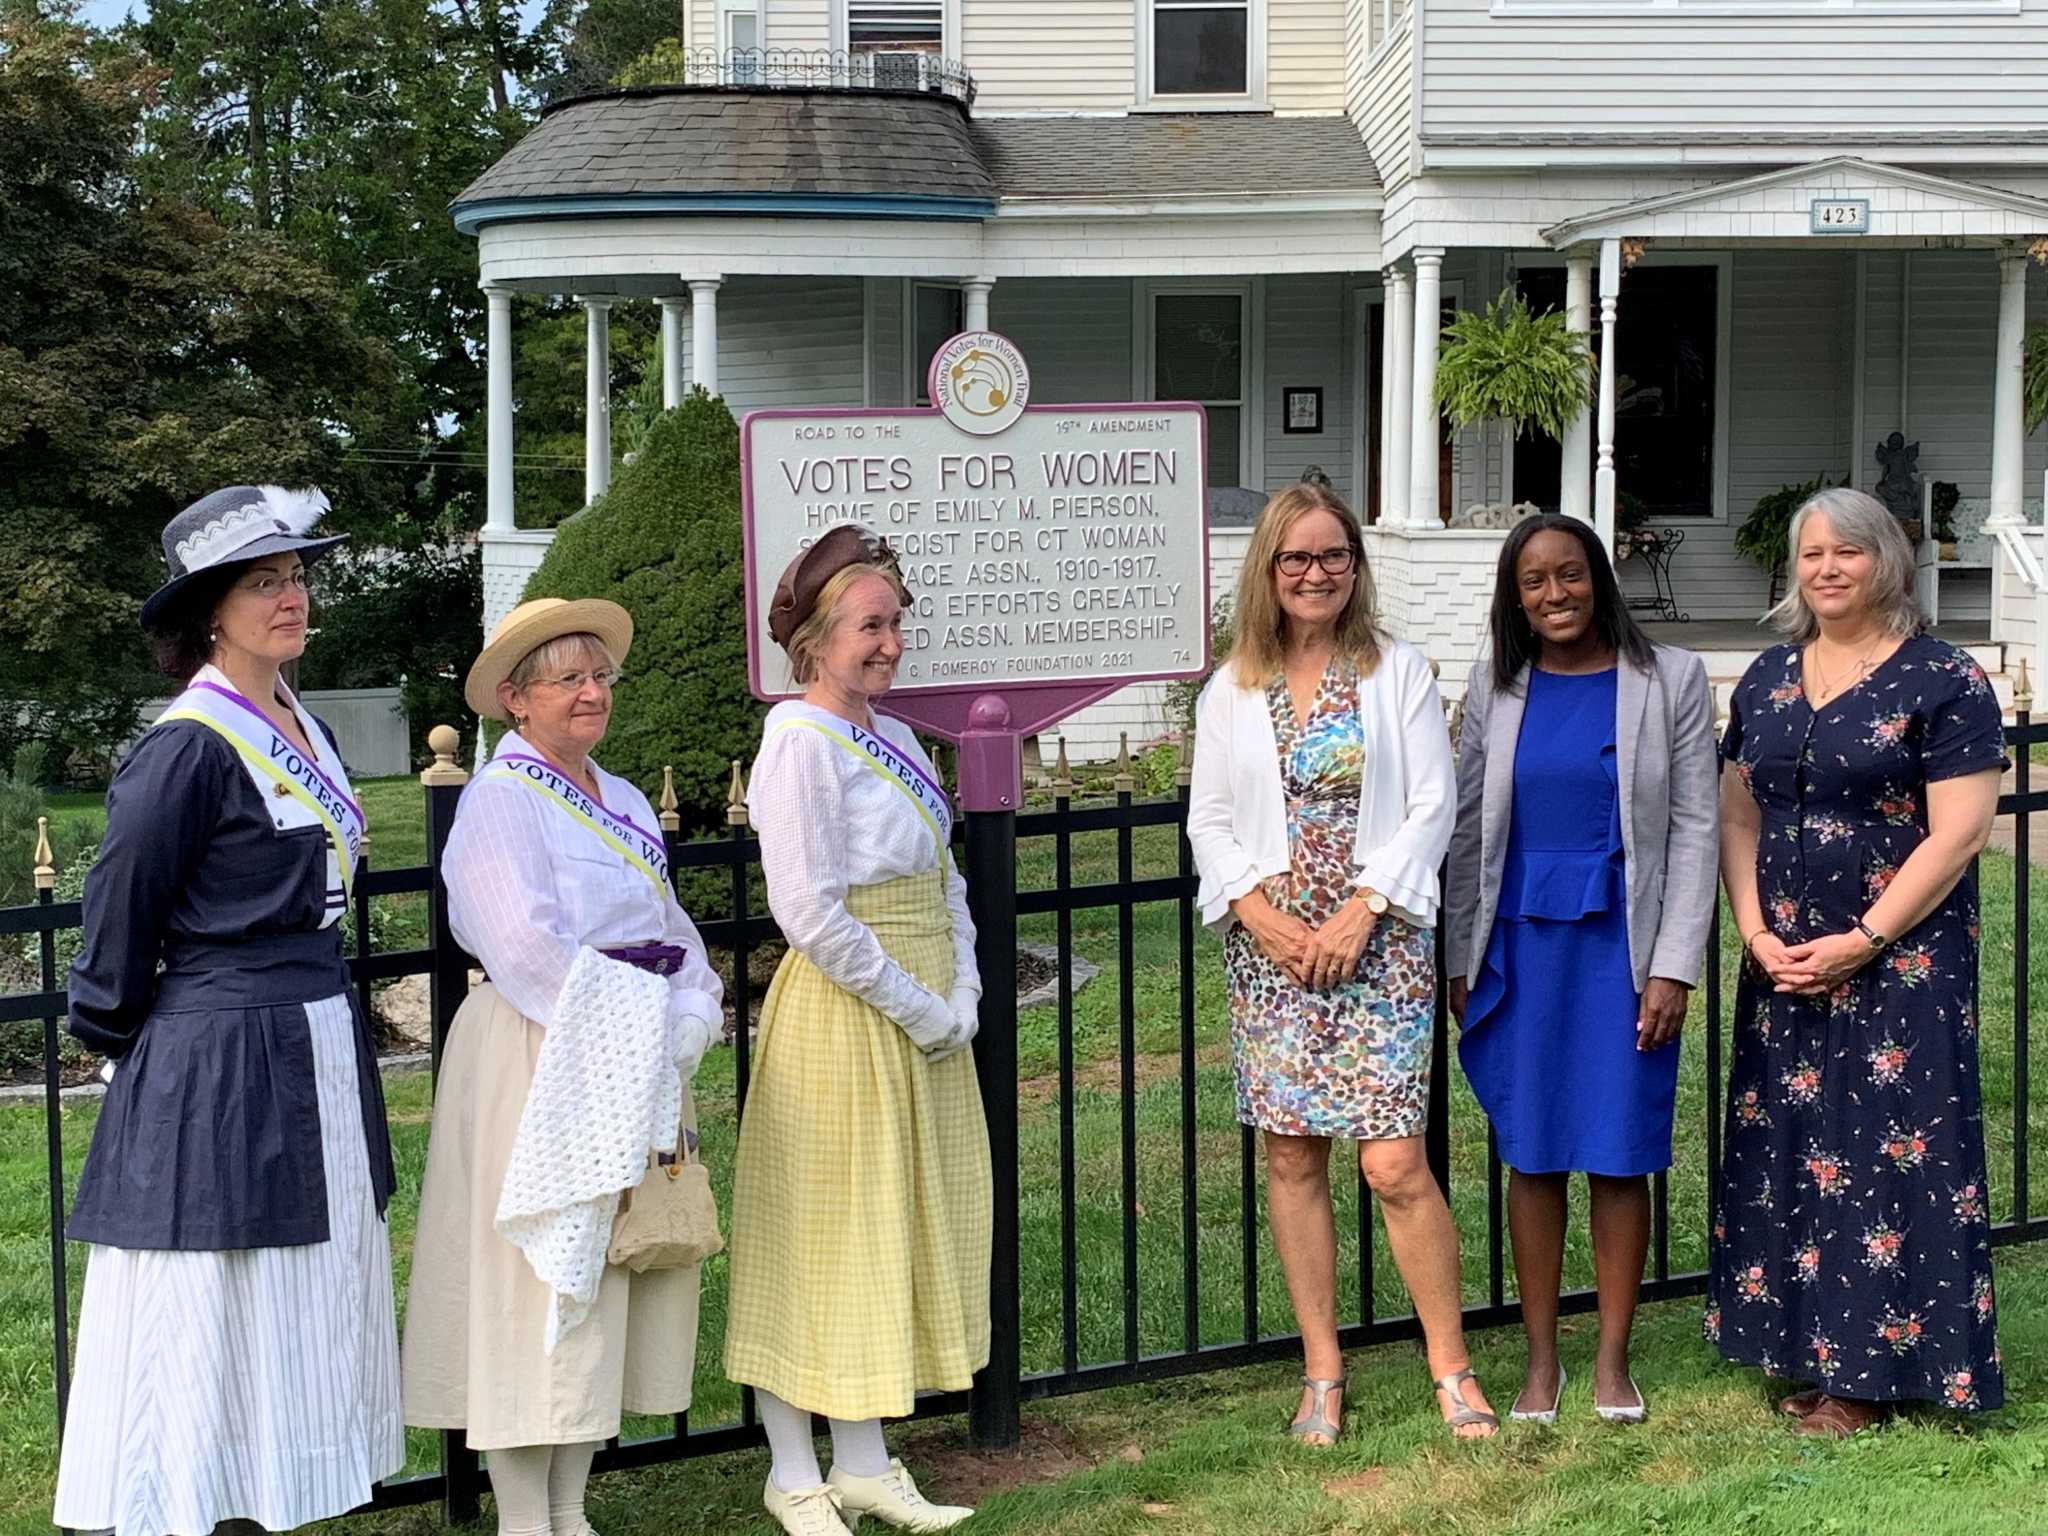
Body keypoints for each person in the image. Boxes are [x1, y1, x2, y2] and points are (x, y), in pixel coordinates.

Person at [53, 486, 401, 1534]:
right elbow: (118, 918)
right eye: (264, 582)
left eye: (295, 576)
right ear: (210, 609)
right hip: (223, 1063)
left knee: (295, 1307)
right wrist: (127, 1049)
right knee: (218, 1308)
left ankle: (271, 1500)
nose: (291, 596)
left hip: (312, 1041)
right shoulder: (188, 747)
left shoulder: (300, 716)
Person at [402, 598, 725, 1536]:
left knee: (608, 1274)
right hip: (541, 1055)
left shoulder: (622, 799)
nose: (592, 694)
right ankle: (521, 1520)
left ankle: (572, 1512)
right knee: (530, 1284)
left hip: (637, 1047)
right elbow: (527, 947)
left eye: (600, 677)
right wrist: (643, 1027)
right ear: (515, 700)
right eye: (568, 679)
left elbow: (671, 930)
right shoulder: (499, 804)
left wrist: (692, 1013)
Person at [1187, 484, 1496, 1444]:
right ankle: (1322, 1370)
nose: (1315, 574)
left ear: (1355, 567)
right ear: (1268, 572)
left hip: (1379, 939)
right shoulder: (1231, 685)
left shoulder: (1395, 671)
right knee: (1291, 1155)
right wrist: (1263, 919)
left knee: (1396, 1161)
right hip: (1272, 948)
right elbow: (1209, 819)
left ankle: (1451, 1367)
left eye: (1332, 556)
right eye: (1296, 559)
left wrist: (1363, 911)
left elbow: (1432, 805)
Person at [1711, 488, 2006, 1435]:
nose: (1828, 569)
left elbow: (1958, 834)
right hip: (1786, 958)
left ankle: (1873, 1378)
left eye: (1848, 552)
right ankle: (1804, 1346)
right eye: (1810, 554)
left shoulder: (1945, 677)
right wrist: (1756, 935)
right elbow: (1737, 813)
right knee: (1794, 1152)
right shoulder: (1764, 678)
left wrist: (1863, 941)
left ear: (1889, 561)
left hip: (1899, 960)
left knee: (1885, 1150)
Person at [725, 525, 988, 1536]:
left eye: (893, 623)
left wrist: (961, 983)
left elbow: (943, 877)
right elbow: (810, 913)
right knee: (822, 1232)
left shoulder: (892, 736)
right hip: (849, 1014)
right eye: (869, 625)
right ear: (815, 642)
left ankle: (867, 1458)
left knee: (886, 1228)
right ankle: (793, 1473)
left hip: (922, 1005)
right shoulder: (796, 743)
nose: (889, 642)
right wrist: (923, 1006)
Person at [1445, 513, 1718, 1425]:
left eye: (1569, 575)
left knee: (1616, 1151)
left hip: (1623, 950)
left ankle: (1610, 1360)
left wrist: (1675, 965)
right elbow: (1468, 827)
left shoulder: (1669, 679)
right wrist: (1459, 956)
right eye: (1534, 581)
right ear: (1514, 596)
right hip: (1520, 945)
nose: (1554, 594)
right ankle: (1538, 1362)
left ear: (1598, 578)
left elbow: (1694, 828)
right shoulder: (1497, 684)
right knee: (1531, 1151)